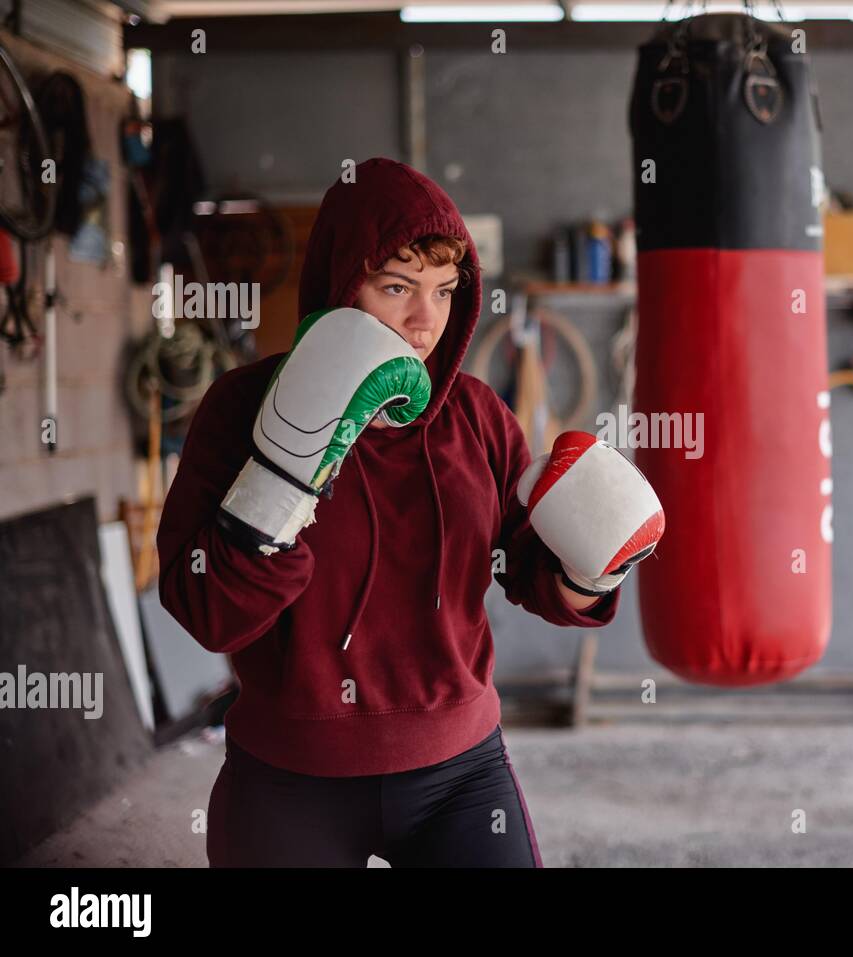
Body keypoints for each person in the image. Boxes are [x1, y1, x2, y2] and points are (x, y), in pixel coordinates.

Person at [157, 157, 660, 867]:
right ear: (340, 284)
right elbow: (206, 610)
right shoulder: (242, 409)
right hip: (290, 775)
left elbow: (530, 573)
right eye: (396, 287)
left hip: (458, 772)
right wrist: (280, 481)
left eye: (445, 291)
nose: (425, 322)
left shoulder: (478, 417)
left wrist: (594, 569)